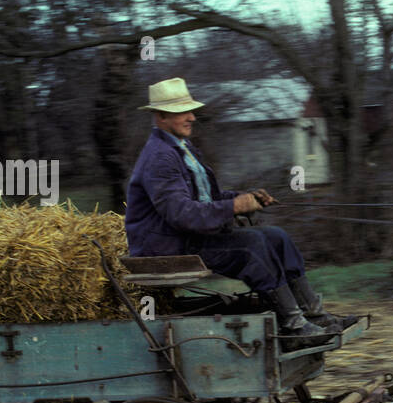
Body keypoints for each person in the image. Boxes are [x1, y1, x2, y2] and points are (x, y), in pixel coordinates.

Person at [125, 77, 355, 346]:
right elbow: (182, 214)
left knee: (277, 237)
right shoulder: (160, 158)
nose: (192, 117)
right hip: (167, 246)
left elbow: (206, 199)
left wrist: (245, 198)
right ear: (161, 116)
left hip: (188, 237)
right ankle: (293, 327)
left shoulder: (182, 149)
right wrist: (234, 207)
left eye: (190, 110)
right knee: (252, 245)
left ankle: (316, 316)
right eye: (182, 112)